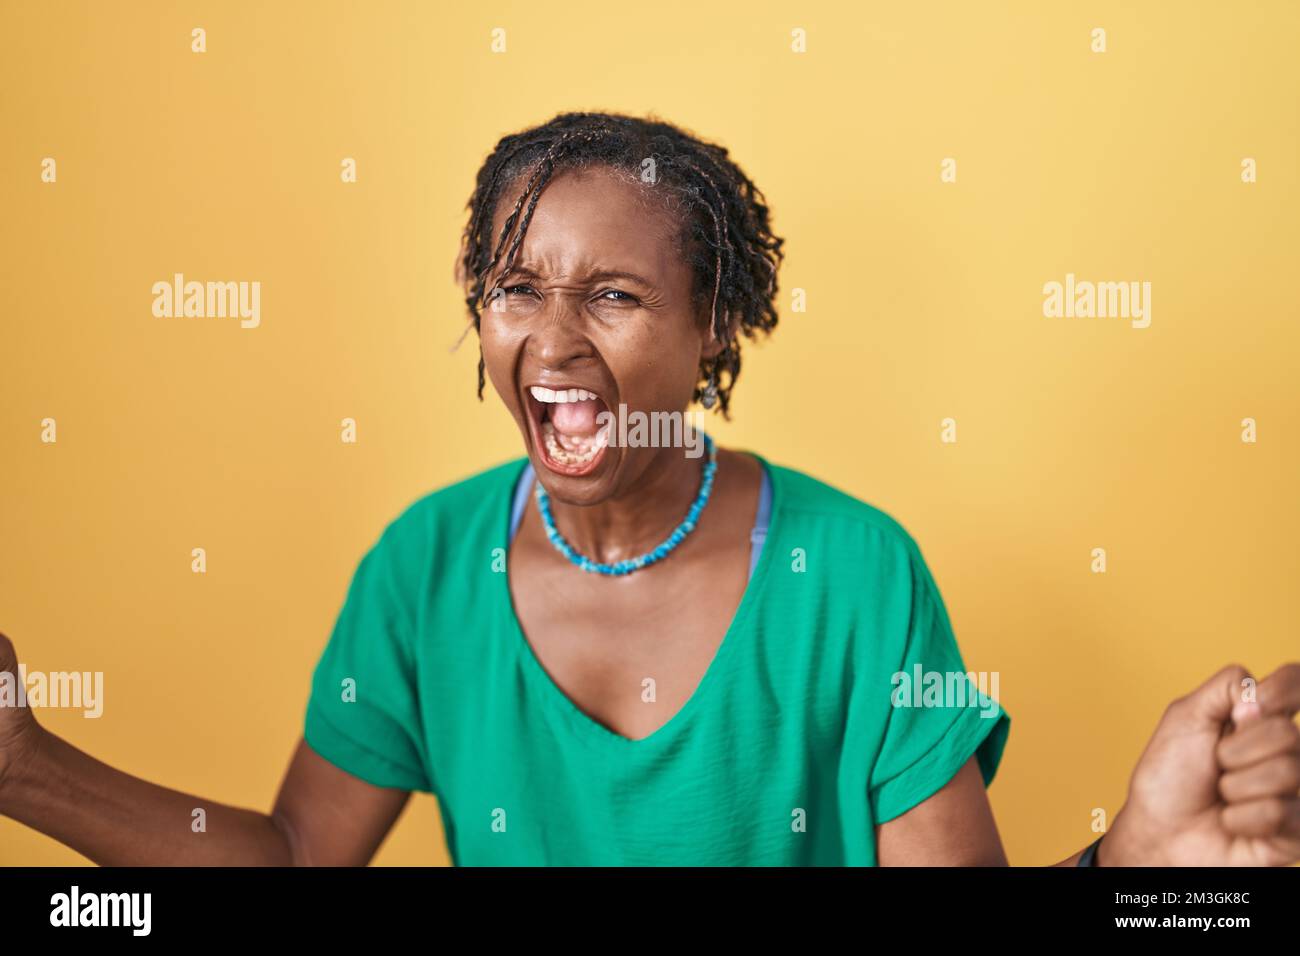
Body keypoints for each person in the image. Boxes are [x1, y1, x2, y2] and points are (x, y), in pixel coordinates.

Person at [1, 112, 1297, 866]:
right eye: (517, 291)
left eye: (613, 297)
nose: (552, 345)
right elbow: (293, 859)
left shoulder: (854, 571)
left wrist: (1136, 865)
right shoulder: (423, 570)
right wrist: (23, 764)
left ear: (715, 330)